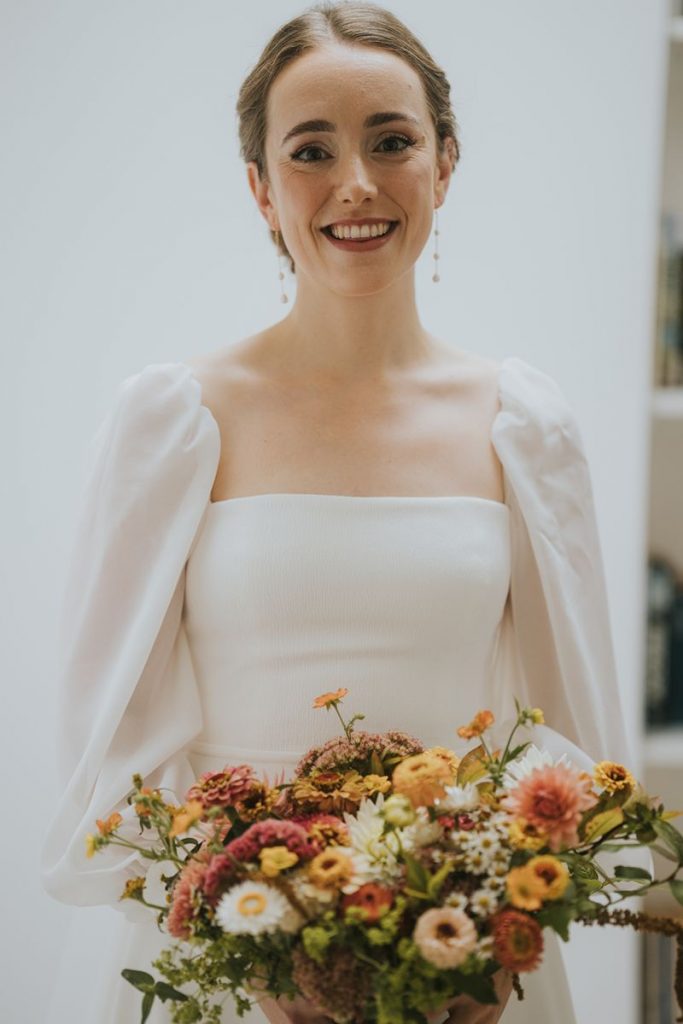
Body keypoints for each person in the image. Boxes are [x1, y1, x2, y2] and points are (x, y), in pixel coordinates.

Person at [40, 2, 641, 1022]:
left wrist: (489, 928)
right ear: (260, 189)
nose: (355, 183)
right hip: (230, 961)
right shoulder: (174, 419)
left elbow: (574, 739)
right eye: (310, 149)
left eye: (391, 141)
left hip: (464, 969)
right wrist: (261, 938)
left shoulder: (522, 424)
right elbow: (110, 751)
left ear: (443, 164)